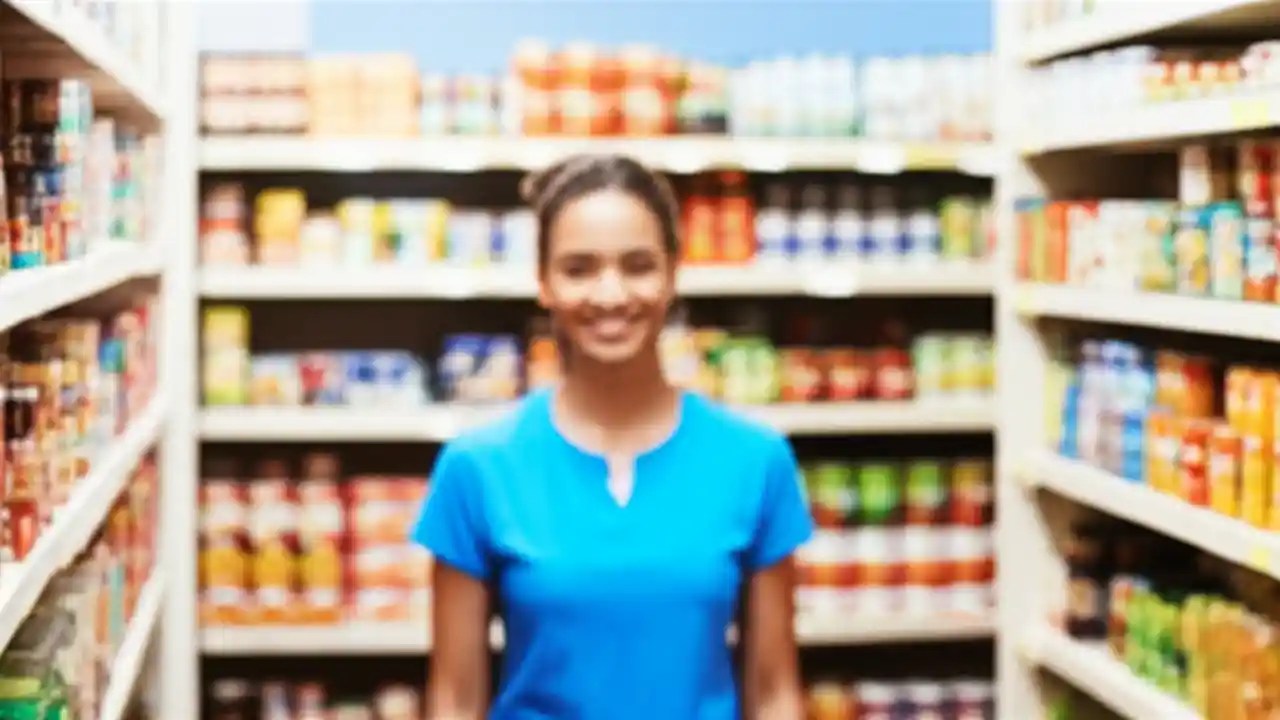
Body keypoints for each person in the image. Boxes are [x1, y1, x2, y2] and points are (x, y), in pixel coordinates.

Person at [411, 154, 814, 720]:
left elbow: (774, 692)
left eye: (638, 265)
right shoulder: (478, 467)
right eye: (579, 268)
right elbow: (454, 699)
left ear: (674, 274)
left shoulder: (755, 461)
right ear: (543, 283)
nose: (610, 294)